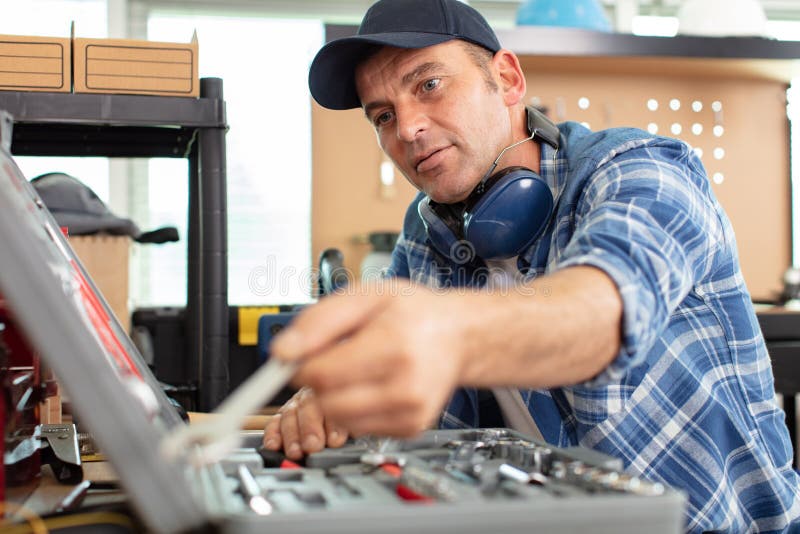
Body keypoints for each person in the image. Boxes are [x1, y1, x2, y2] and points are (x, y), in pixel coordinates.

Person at [262, 0, 800, 531]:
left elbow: (597, 316)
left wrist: (450, 334)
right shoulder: (426, 236)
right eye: (382, 115)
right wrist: (341, 401)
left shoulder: (643, 171)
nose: (406, 129)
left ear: (508, 79)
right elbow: (417, 421)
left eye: (428, 85)